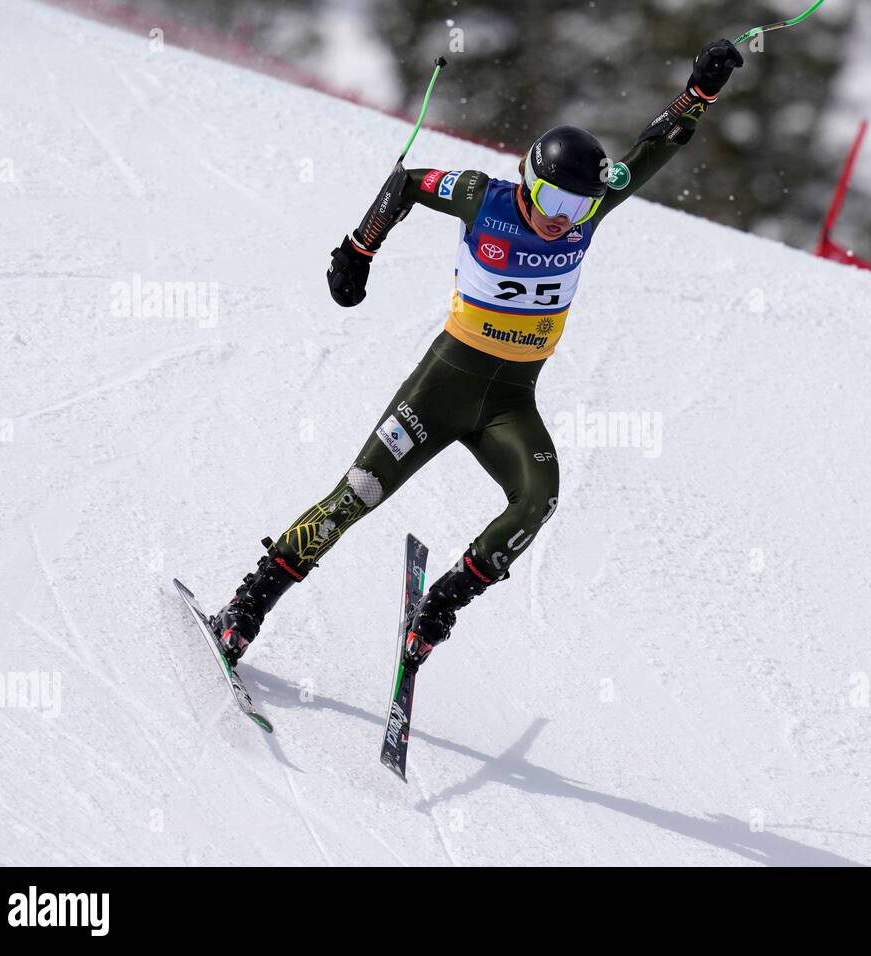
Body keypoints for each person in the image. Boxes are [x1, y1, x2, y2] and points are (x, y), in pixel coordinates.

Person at [210, 39, 744, 672]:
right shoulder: (481, 196)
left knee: (538, 495)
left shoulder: (587, 212)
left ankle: (439, 608)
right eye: (553, 202)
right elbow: (407, 183)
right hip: (442, 388)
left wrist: (701, 89)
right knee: (358, 494)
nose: (562, 220)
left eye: (577, 208)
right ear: (528, 181)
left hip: (509, 405)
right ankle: (246, 609)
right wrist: (359, 249)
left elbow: (656, 143)